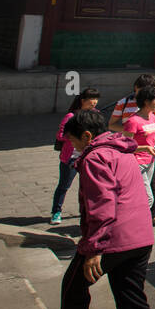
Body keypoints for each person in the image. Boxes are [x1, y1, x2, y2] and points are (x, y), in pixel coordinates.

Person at [34, 110, 155, 309]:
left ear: (87, 136)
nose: (73, 148)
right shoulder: (122, 150)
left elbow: (102, 205)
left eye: (74, 142)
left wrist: (94, 249)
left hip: (113, 240)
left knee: (73, 289)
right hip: (141, 237)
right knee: (131, 299)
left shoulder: (95, 157)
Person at [122, 87, 155, 227]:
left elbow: (149, 139)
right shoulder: (133, 121)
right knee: (147, 198)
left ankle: (135, 223)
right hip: (137, 163)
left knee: (142, 196)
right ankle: (132, 224)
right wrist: (145, 148)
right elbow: (125, 146)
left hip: (150, 162)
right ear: (147, 101)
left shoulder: (152, 117)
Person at [51, 88, 99, 224]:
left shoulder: (95, 115)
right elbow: (60, 135)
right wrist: (78, 136)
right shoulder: (71, 116)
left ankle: (87, 211)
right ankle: (56, 211)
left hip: (88, 157)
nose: (94, 102)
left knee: (89, 187)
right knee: (64, 186)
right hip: (71, 158)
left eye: (96, 99)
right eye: (92, 99)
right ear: (83, 101)